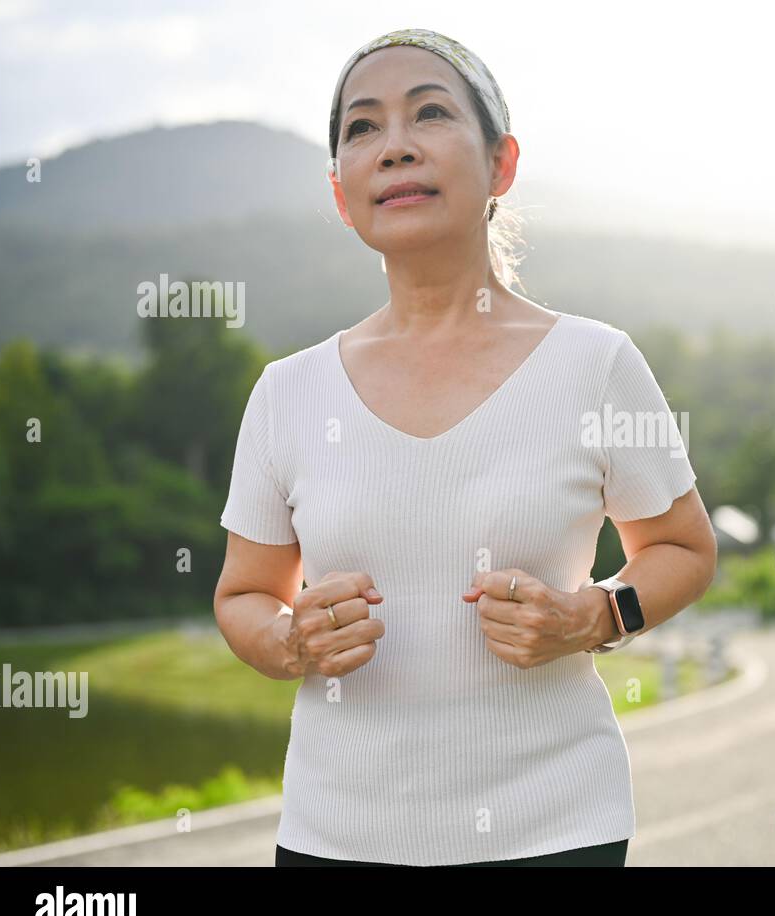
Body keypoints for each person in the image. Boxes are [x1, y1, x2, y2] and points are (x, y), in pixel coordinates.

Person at [212, 28, 717, 868]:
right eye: (362, 128)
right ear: (341, 193)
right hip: (336, 840)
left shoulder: (595, 365)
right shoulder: (286, 393)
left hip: (556, 832)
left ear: (502, 164)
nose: (396, 145)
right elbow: (244, 596)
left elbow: (682, 548)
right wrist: (288, 642)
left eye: (431, 113)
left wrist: (595, 613)